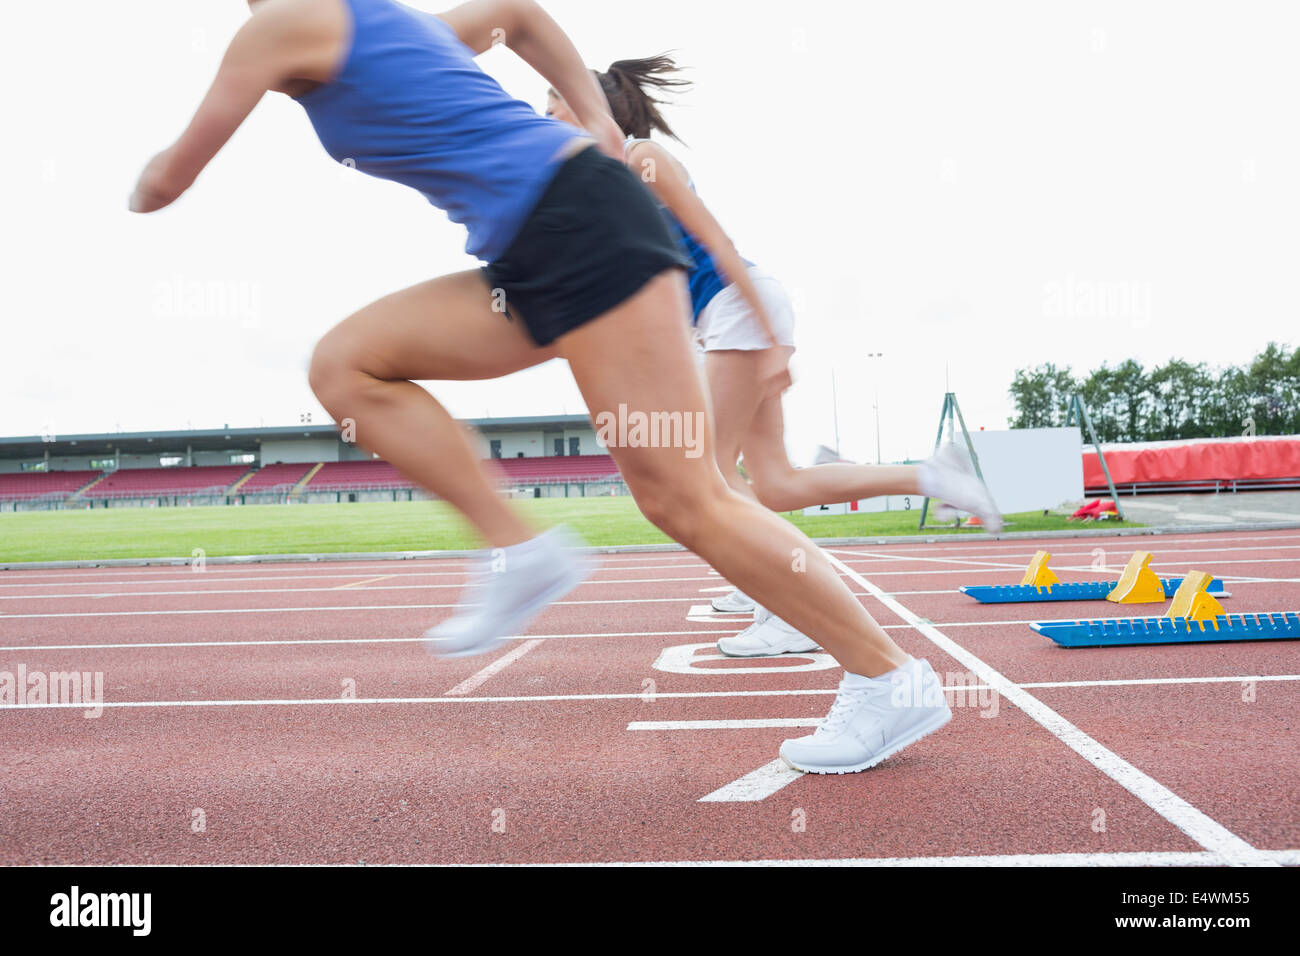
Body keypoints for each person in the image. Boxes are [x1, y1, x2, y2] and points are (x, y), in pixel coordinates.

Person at [130, 0, 952, 774]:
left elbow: (170, 177)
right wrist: (594, 123)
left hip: (579, 229)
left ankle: (888, 677)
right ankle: (520, 549)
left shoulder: (281, 22)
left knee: (687, 498)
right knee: (346, 364)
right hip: (532, 254)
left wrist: (138, 186)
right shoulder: (398, 29)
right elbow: (516, 12)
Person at [546, 56, 1001, 658]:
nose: (544, 107)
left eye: (552, 94)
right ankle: (929, 476)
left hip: (742, 307)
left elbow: (719, 244)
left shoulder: (642, 159)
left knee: (707, 479)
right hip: (728, 319)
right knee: (777, 483)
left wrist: (771, 343)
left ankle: (788, 608)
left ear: (587, 103)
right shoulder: (606, 177)